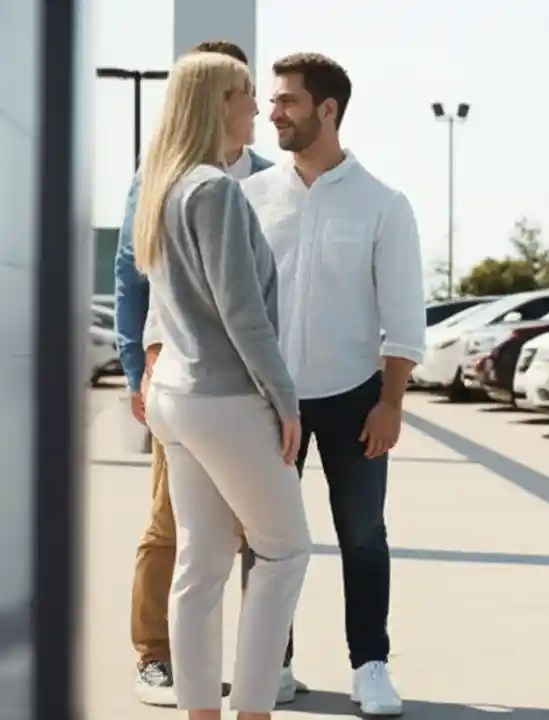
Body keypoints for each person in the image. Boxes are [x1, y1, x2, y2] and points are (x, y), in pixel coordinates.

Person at [113, 39, 306, 708]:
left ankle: (201, 711)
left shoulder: (161, 189)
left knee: (200, 565)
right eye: (248, 93)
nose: (259, 107)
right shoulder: (214, 191)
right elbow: (243, 314)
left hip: (175, 400)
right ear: (221, 103)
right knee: (284, 554)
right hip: (225, 399)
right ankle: (250, 708)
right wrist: (286, 401)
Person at [241, 52, 425, 717]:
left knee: (362, 534)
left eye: (286, 101)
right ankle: (273, 662)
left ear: (328, 110)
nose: (273, 112)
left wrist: (391, 403)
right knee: (265, 540)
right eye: (272, 100)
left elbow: (403, 315)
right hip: (266, 400)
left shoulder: (384, 205)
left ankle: (369, 665)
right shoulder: (250, 198)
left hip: (354, 398)